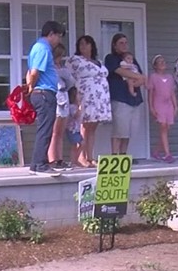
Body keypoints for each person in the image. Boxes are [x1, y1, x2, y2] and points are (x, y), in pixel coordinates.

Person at [24, 21, 66, 174]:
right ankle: (41, 165)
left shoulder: (39, 47)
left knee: (44, 129)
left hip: (42, 93)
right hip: (44, 94)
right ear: (51, 34)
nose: (59, 40)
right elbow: (34, 72)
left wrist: (30, 86)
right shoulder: (43, 48)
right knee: (45, 130)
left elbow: (30, 72)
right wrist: (31, 87)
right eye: (58, 36)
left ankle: (35, 165)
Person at [66, 35, 112, 168]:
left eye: (86, 44)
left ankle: (90, 157)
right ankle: (81, 157)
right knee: (84, 126)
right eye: (81, 44)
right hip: (85, 96)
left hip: (99, 99)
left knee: (92, 128)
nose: (83, 47)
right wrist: (75, 97)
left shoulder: (98, 61)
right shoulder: (75, 61)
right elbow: (70, 78)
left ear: (92, 46)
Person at [104, 33, 144, 155]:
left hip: (134, 100)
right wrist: (139, 77)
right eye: (121, 43)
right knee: (119, 130)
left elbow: (140, 77)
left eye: (126, 42)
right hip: (120, 98)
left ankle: (123, 156)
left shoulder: (131, 59)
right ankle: (115, 156)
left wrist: (139, 80)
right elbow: (119, 70)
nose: (124, 45)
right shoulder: (111, 58)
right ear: (114, 45)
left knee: (129, 132)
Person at [49, 43, 78, 171]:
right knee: (54, 132)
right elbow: (69, 79)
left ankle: (59, 159)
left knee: (60, 133)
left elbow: (72, 82)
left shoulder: (61, 68)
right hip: (56, 99)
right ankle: (52, 160)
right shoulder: (51, 69)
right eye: (59, 56)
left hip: (64, 100)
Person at [147, 55, 177, 163]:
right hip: (158, 104)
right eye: (160, 62)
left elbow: (172, 93)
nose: (162, 63)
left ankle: (156, 151)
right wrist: (151, 107)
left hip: (168, 104)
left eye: (163, 61)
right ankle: (168, 154)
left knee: (166, 128)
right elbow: (150, 93)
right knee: (163, 126)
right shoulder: (153, 77)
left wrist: (175, 106)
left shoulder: (169, 77)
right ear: (155, 66)